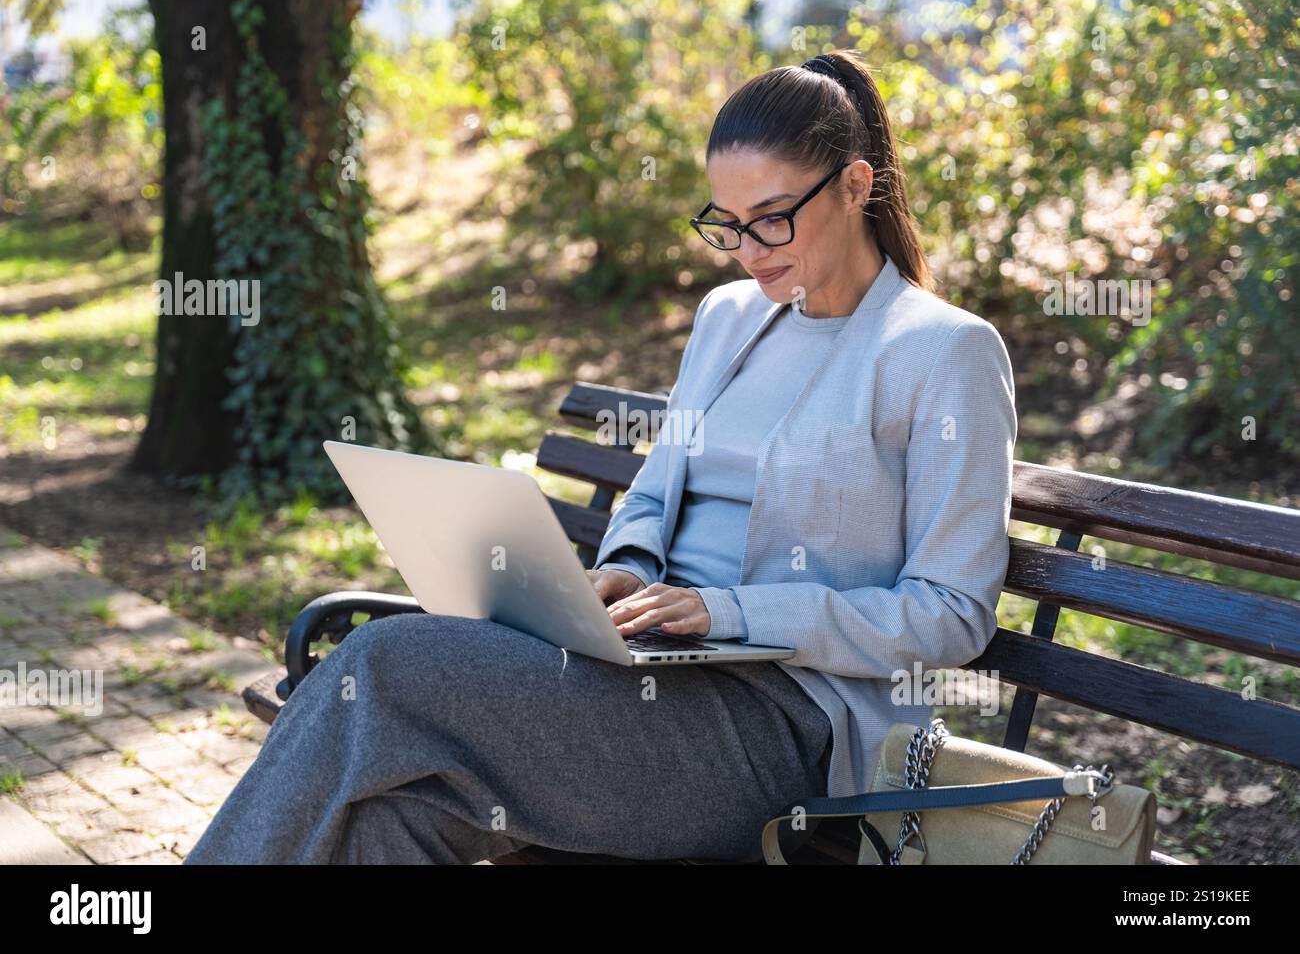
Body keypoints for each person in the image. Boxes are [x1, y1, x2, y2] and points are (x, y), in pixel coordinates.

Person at [183, 48, 1016, 865]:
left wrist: (728, 613)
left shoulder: (943, 353)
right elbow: (653, 496)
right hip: (637, 673)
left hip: (782, 726)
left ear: (855, 186)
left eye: (772, 218)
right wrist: (623, 567)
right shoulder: (729, 318)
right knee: (394, 823)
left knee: (381, 661)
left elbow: (952, 612)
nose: (749, 250)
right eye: (727, 225)